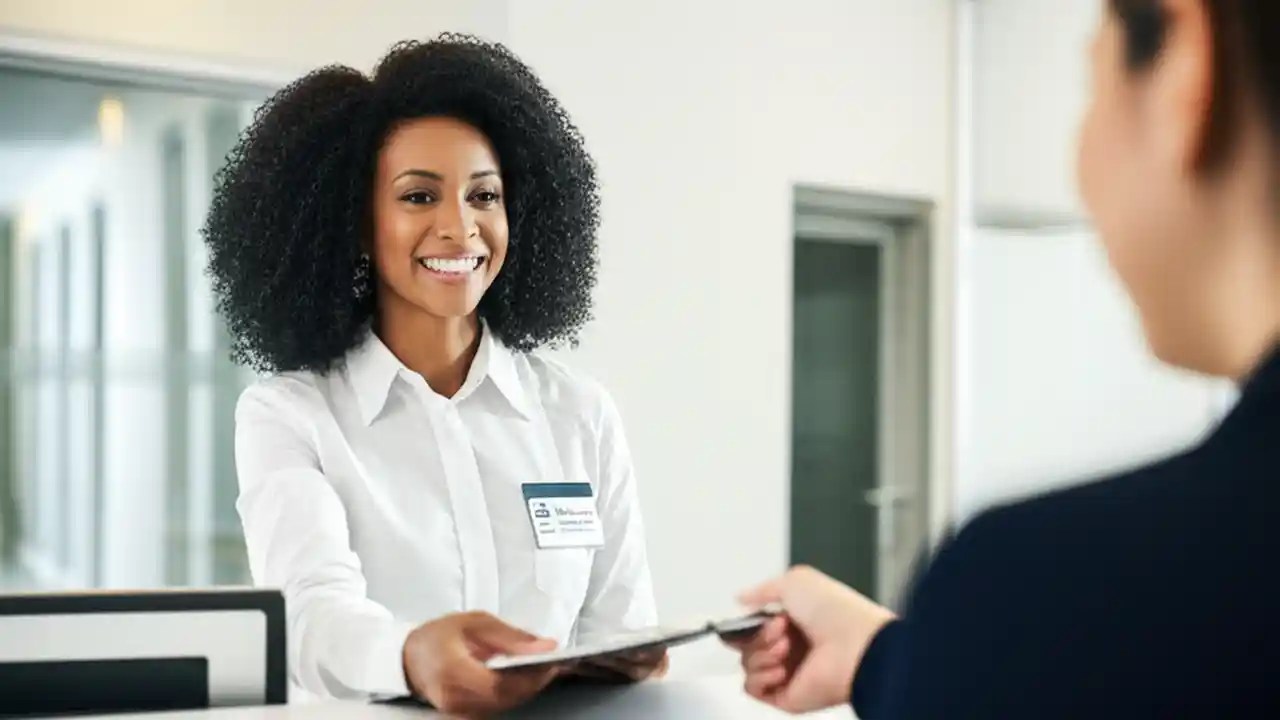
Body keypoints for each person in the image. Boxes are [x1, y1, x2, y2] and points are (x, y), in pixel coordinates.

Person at [730, 0, 1280, 716]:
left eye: (1093, 86)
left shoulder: (1045, 592)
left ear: (1185, 64)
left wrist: (965, 648)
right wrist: (891, 658)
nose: (1079, 163)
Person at [203, 34, 663, 715]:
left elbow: (624, 635)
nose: (461, 226)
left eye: (485, 196)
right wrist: (411, 656)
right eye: (419, 197)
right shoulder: (289, 416)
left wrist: (633, 656)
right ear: (358, 223)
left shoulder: (579, 414)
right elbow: (312, 619)